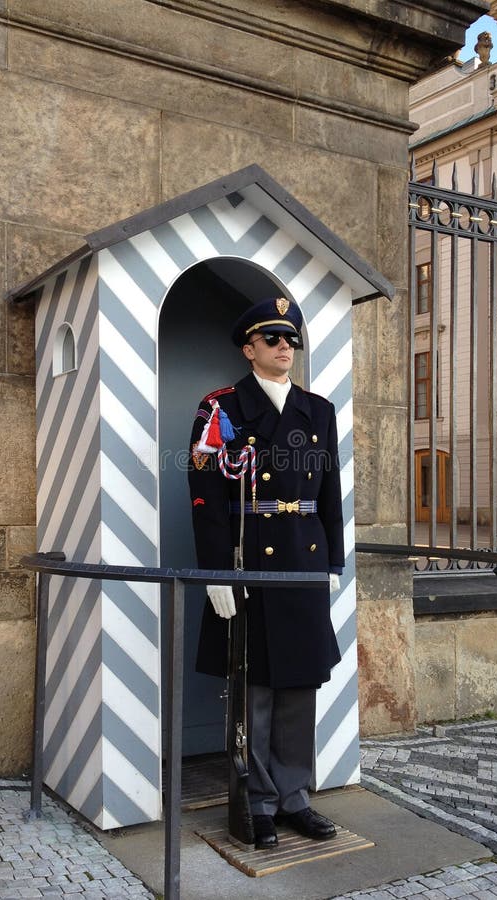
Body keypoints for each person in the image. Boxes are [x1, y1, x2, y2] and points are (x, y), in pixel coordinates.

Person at [188, 296, 344, 850]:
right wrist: (215, 575)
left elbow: (329, 490)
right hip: (248, 560)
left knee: (299, 683)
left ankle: (296, 797)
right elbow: (204, 495)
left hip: (301, 560)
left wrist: (332, 560)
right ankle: (256, 802)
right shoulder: (220, 407)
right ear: (249, 349)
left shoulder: (318, 409)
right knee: (254, 687)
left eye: (290, 341)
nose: (285, 348)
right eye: (273, 340)